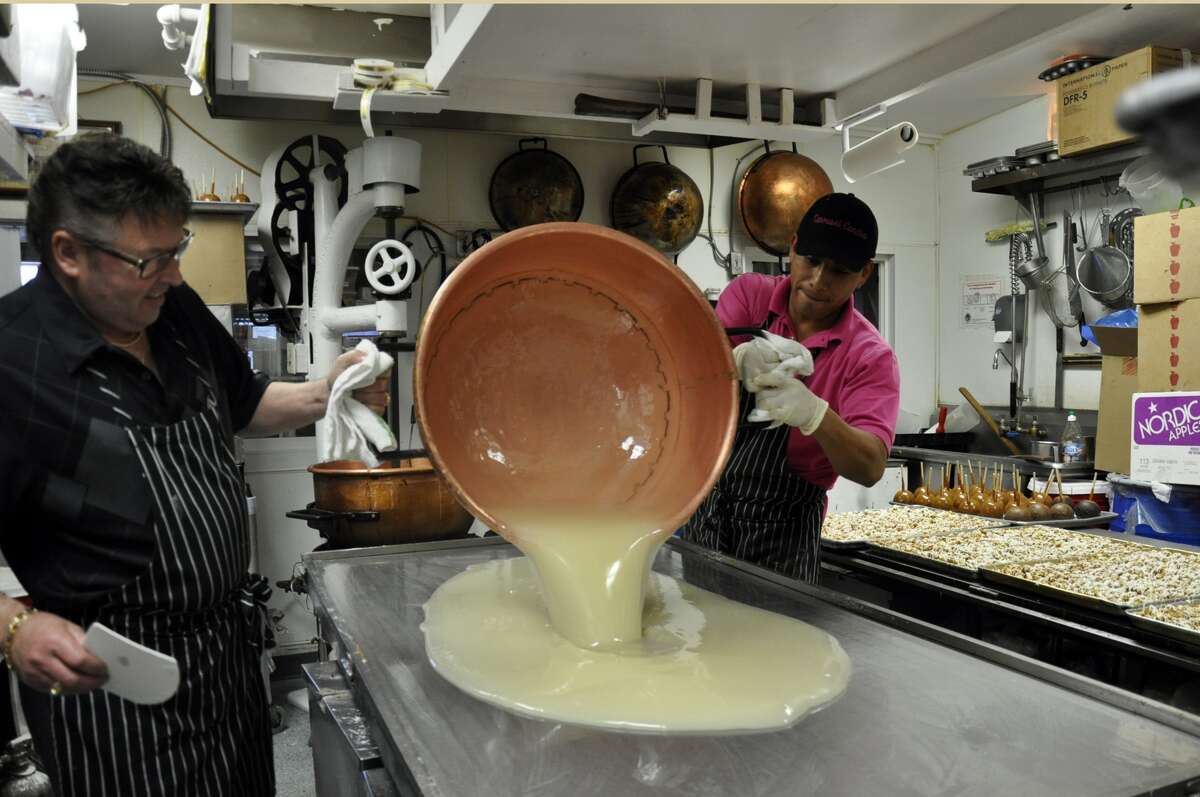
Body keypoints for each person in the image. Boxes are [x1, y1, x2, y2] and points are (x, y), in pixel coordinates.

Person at [0, 134, 388, 796]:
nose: (175, 275)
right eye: (150, 260)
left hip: (226, 660)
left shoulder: (170, 309)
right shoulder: (11, 361)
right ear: (67, 253)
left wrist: (328, 393)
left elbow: (245, 401)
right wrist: (13, 624)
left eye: (175, 251)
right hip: (114, 684)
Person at [681, 193, 899, 582]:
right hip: (705, 512)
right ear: (794, 246)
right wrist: (735, 361)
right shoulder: (749, 296)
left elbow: (869, 467)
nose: (818, 281)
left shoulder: (869, 357)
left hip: (782, 537)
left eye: (839, 271)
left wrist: (815, 415)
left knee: (775, 640)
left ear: (864, 273)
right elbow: (689, 385)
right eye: (812, 261)